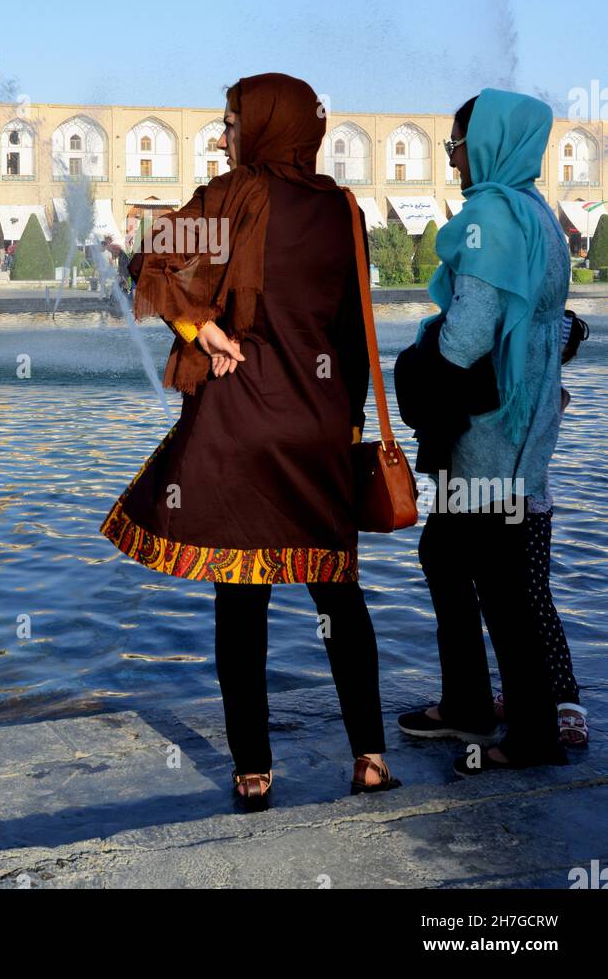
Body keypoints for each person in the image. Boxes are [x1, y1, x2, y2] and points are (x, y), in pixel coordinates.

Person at [100, 72, 400, 803]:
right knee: (338, 593)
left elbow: (149, 254)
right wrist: (349, 419)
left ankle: (253, 770)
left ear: (262, 126)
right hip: (319, 422)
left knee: (242, 601)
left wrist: (200, 325)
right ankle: (369, 757)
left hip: (241, 415)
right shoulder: (343, 208)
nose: (222, 135)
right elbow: (354, 334)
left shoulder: (232, 197)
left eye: (229, 122)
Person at [394, 89, 576, 775]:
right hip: (522, 426)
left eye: (457, 142)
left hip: (482, 435)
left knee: (495, 585)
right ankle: (467, 702)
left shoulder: (492, 215)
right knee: (447, 557)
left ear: (490, 141)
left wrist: (418, 370)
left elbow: (468, 333)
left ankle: (528, 734)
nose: (452, 158)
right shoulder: (536, 214)